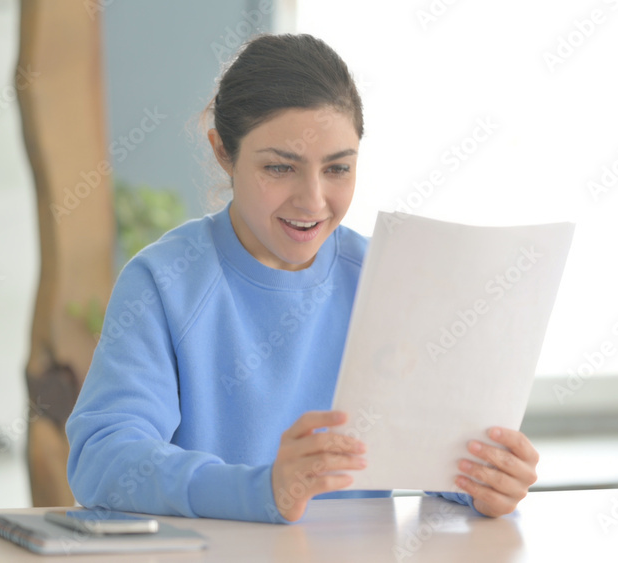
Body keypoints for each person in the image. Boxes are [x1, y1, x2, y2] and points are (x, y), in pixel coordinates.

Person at [65, 33, 539, 524]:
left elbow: (436, 452)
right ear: (223, 152)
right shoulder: (163, 283)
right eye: (279, 167)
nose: (313, 200)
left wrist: (484, 482)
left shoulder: (385, 280)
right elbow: (103, 461)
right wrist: (260, 490)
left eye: (337, 169)